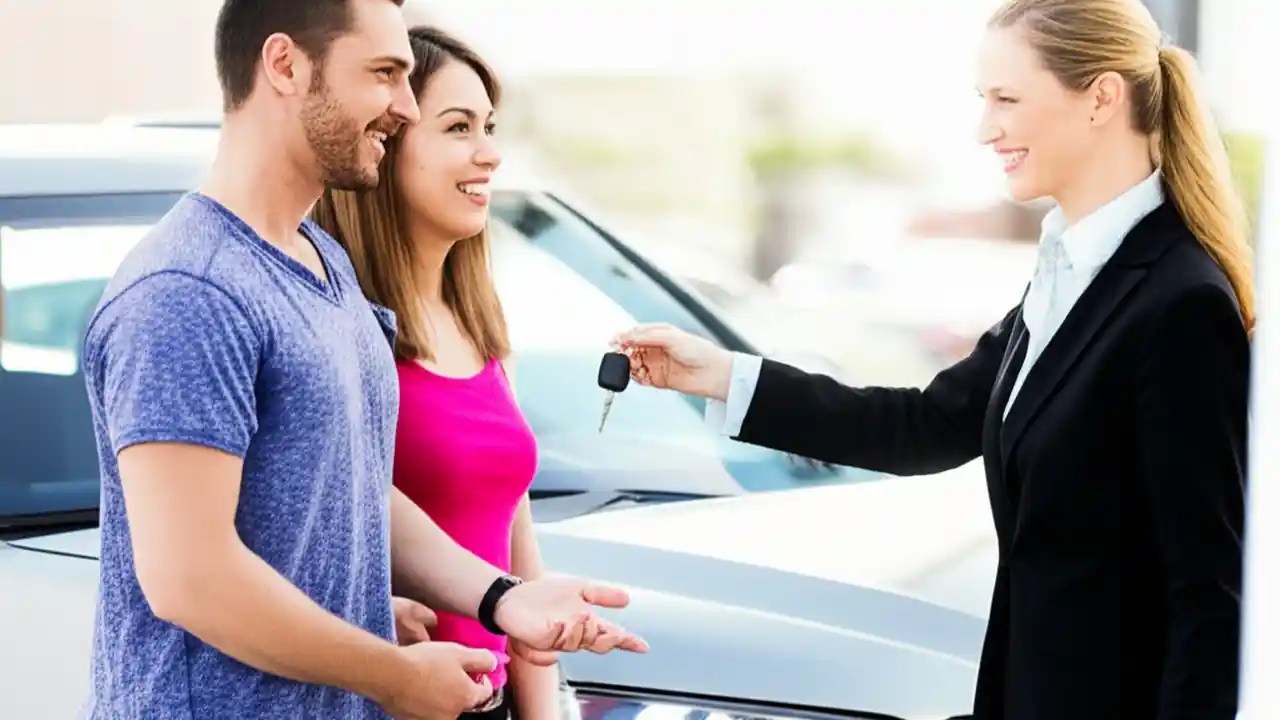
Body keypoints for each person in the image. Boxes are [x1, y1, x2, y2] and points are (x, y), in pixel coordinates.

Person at [613, 1, 1252, 718]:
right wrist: (720, 375)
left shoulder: (1180, 302)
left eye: (1007, 99)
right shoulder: (1069, 276)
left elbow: (1209, 594)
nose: (985, 129)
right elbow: (924, 426)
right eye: (985, 100)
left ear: (1101, 98)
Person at [79, 2, 644, 719]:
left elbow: (358, 490)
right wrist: (394, 675)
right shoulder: (187, 289)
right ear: (285, 65)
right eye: (384, 74)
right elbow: (192, 579)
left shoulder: (323, 265)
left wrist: (503, 599)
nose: (403, 107)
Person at [310, 25, 564, 720]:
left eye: (489, 127)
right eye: (458, 127)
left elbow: (520, 556)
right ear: (386, 142)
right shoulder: (337, 324)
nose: (490, 153)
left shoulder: (480, 321)